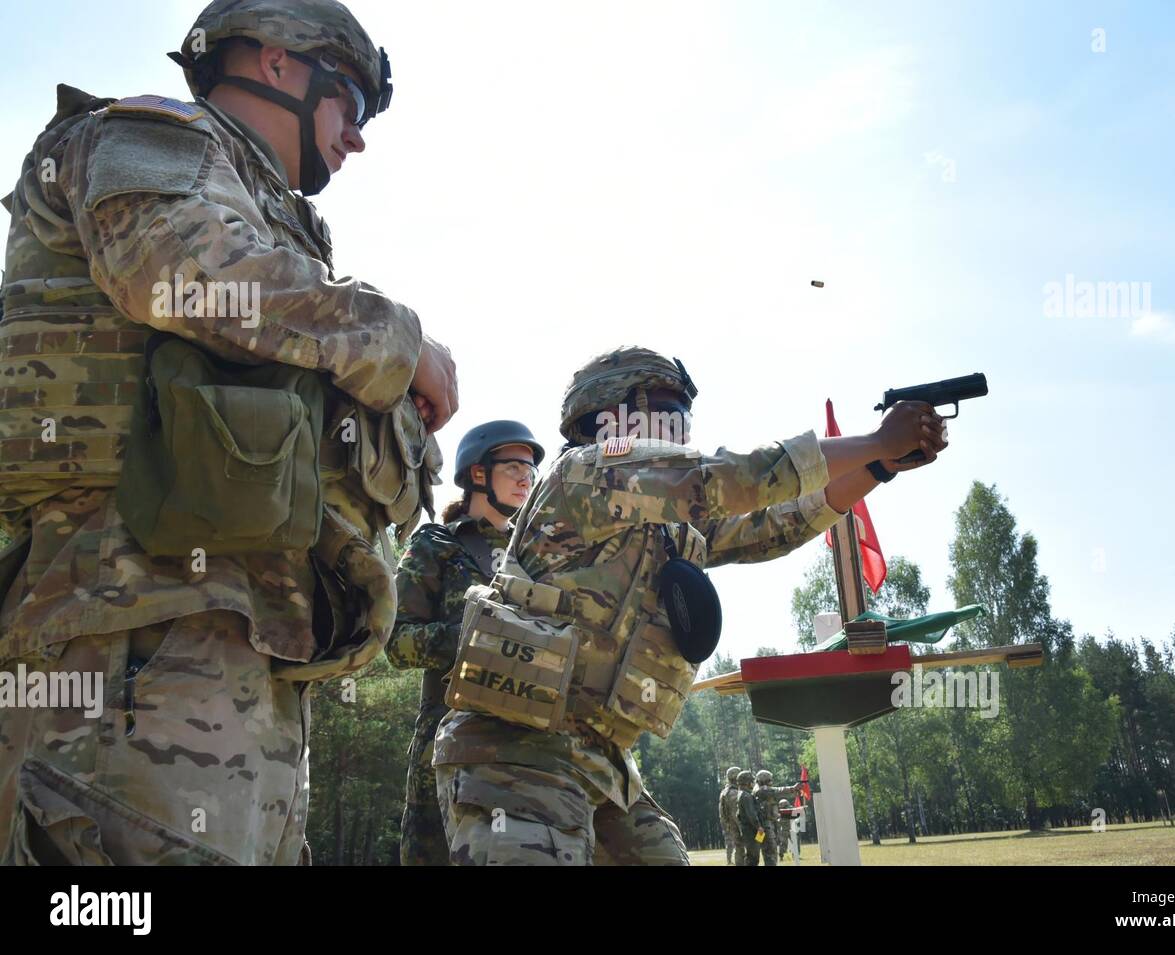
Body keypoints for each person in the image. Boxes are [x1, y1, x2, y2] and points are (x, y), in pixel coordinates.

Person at [0, 0, 456, 865]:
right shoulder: (144, 136)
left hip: (252, 657)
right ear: (277, 61)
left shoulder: (264, 209)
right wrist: (397, 341)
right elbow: (178, 271)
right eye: (349, 103)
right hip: (129, 642)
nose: (355, 137)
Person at [434, 345, 948, 865]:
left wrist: (877, 466)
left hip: (600, 764)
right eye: (667, 413)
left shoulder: (664, 525)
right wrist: (876, 440)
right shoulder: (585, 475)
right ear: (612, 415)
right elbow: (726, 478)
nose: (678, 432)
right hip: (513, 757)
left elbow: (772, 528)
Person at [388, 422, 544, 866]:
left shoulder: (536, 555)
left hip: (526, 751)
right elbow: (398, 643)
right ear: (479, 474)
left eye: (530, 470)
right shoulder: (437, 544)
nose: (524, 478)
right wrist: (480, 638)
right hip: (447, 748)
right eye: (513, 466)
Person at [753, 770, 802, 866]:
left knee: (768, 850)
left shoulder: (760, 789)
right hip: (765, 825)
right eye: (769, 780)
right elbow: (777, 790)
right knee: (770, 850)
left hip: (765, 824)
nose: (771, 782)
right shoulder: (762, 790)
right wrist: (792, 788)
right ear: (764, 780)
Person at [735, 770, 764, 866]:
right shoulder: (746, 796)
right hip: (751, 830)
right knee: (753, 856)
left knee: (753, 855)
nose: (753, 783)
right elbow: (751, 814)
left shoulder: (742, 794)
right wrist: (758, 826)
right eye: (751, 781)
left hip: (749, 829)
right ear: (747, 782)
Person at [718, 766, 742, 865]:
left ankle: (730, 861)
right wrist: (742, 828)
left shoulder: (725, 791)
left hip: (728, 823)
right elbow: (735, 813)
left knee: (733, 844)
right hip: (733, 824)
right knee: (738, 846)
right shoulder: (732, 792)